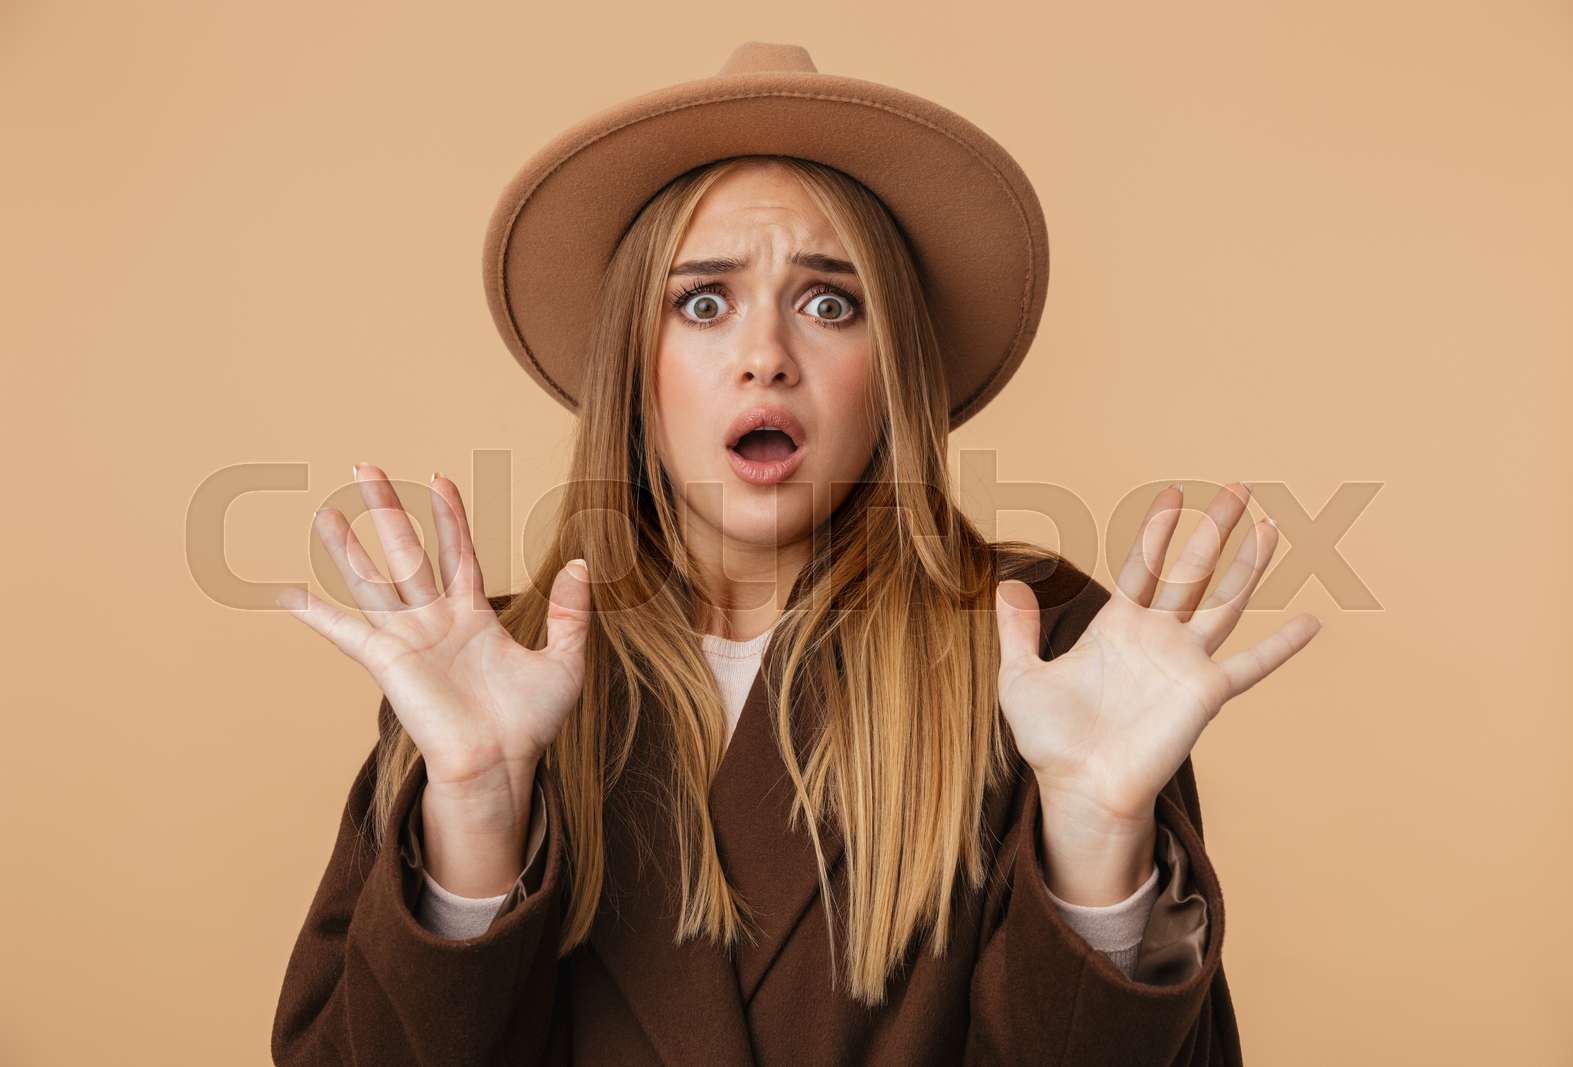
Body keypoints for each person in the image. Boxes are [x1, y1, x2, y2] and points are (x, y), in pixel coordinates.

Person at [270, 41, 1318, 1065]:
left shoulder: (1048, 652)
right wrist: (472, 815)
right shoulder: (482, 675)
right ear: (634, 368)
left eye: (829, 302)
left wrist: (1095, 851)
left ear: (892, 371)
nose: (765, 356)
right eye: (703, 301)